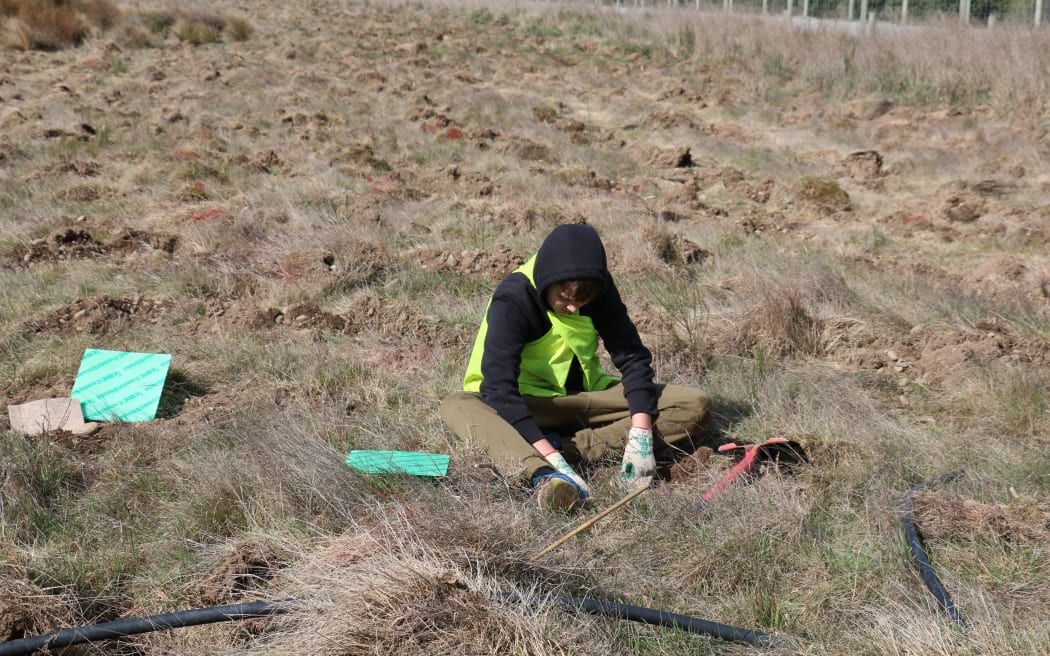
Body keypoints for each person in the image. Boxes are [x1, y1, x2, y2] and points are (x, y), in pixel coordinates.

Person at [440, 223, 710, 511]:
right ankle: (545, 474)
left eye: (582, 301)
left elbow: (631, 356)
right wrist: (551, 460)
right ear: (546, 280)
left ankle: (569, 449)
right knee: (457, 405)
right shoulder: (514, 298)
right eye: (565, 299)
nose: (572, 308)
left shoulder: (597, 286)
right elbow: (498, 387)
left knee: (693, 403)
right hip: (521, 403)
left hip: (583, 398)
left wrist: (641, 436)